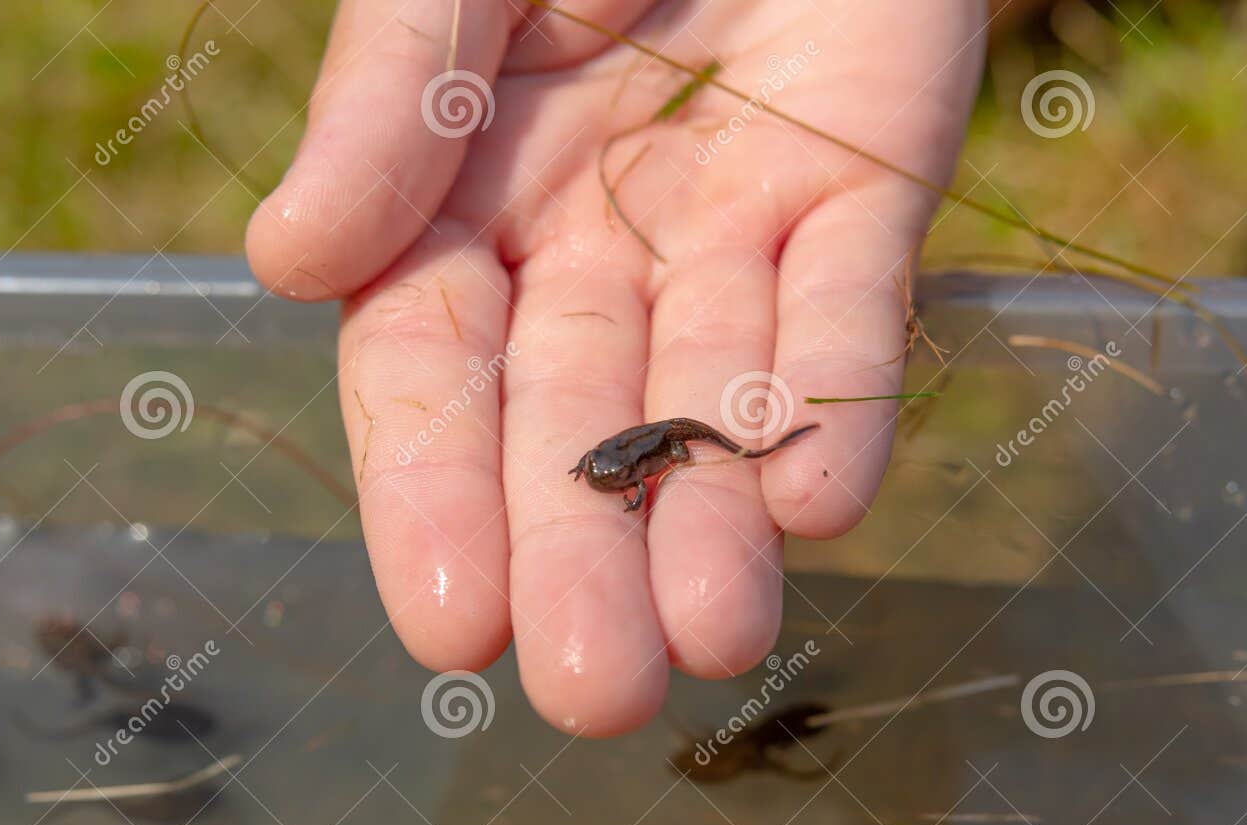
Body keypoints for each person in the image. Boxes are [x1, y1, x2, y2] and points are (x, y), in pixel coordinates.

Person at [245, 0, 986, 736]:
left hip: (663, 434)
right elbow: (600, 458)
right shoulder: (604, 465)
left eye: (609, 481)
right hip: (645, 436)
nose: (602, 482)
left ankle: (757, 448)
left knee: (707, 470)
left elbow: (638, 458)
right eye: (602, 479)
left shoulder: (653, 456)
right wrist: (598, 471)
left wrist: (645, 480)